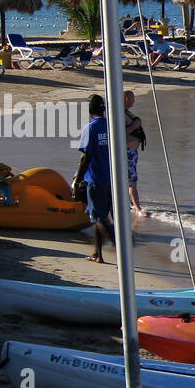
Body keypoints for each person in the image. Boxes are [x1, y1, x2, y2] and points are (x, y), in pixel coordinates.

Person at [74, 94, 116, 262]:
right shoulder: (112, 126)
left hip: (96, 179)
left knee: (99, 218)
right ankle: (98, 253)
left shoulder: (90, 128)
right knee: (100, 216)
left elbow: (86, 157)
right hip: (113, 179)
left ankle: (122, 252)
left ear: (89, 110)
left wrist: (78, 180)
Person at [124, 89, 147, 217]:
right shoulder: (120, 113)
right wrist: (135, 125)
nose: (134, 100)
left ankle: (130, 203)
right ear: (126, 97)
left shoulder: (126, 112)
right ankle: (138, 209)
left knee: (130, 180)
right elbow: (120, 132)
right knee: (132, 181)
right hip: (127, 152)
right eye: (132, 98)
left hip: (132, 152)